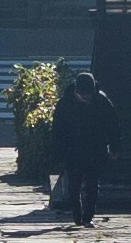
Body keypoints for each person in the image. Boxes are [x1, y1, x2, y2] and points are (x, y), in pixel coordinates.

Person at [46, 60, 115, 227]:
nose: (86, 98)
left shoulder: (102, 101)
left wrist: (114, 147)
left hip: (95, 149)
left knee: (92, 184)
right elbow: (58, 130)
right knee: (74, 185)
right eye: (83, 95)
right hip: (73, 150)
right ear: (76, 91)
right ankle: (77, 213)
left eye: (88, 95)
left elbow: (113, 126)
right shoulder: (65, 104)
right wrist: (57, 152)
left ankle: (88, 215)